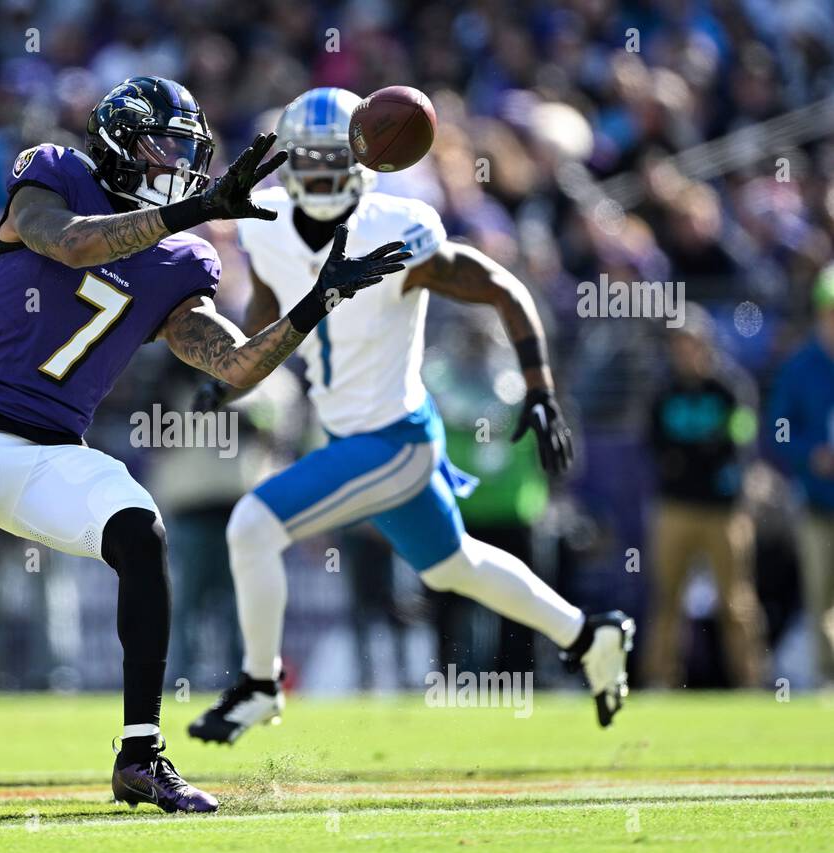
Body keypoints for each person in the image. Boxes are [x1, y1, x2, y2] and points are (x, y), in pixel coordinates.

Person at [0, 76, 411, 818]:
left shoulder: (182, 261)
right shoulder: (55, 173)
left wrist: (315, 303)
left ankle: (141, 756)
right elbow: (69, 245)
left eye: (187, 151)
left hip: (52, 454)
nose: (177, 162)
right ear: (120, 140)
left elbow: (235, 364)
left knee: (140, 529)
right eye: (165, 143)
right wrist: (192, 208)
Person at [187, 88, 634, 745]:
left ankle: (259, 685)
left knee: (253, 525)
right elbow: (267, 310)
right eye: (305, 158)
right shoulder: (265, 222)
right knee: (453, 567)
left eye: (330, 157)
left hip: (393, 439)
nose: (316, 172)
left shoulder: (393, 226)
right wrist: (229, 380)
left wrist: (539, 387)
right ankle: (588, 635)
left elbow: (502, 289)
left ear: (365, 156)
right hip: (353, 435)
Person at [642, 315, 766, 688]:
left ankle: (750, 681)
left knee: (736, 601)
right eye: (679, 345)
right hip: (675, 507)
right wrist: (698, 452)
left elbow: (740, 440)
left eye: (692, 344)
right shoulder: (663, 390)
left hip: (724, 510)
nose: (686, 353)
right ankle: (661, 680)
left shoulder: (729, 388)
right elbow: (652, 444)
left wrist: (697, 455)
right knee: (667, 599)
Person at [768, 265, 834, 684]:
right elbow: (778, 429)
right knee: (819, 599)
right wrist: (811, 455)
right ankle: (828, 679)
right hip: (816, 503)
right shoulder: (800, 367)